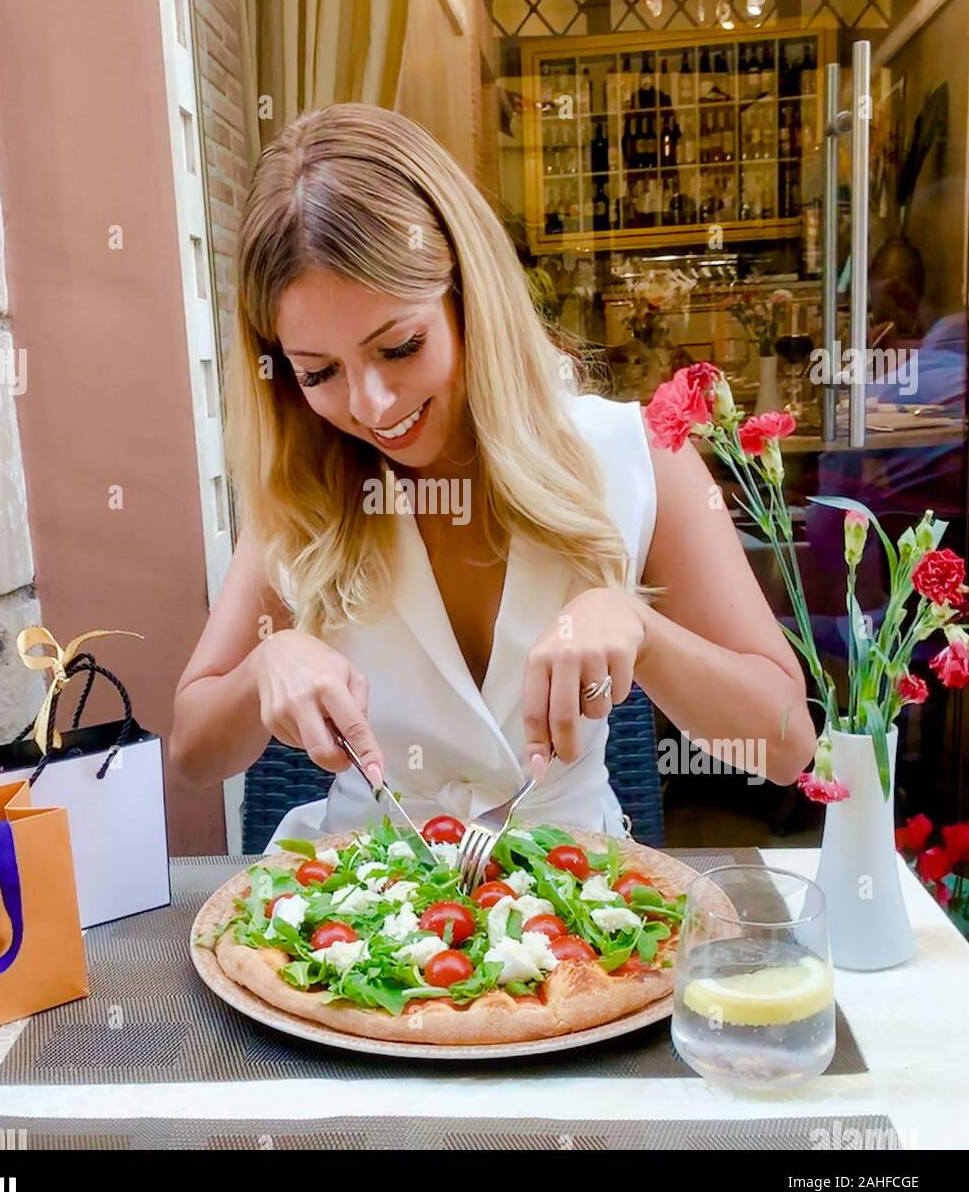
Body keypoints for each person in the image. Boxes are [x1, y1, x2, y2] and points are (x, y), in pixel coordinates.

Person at [170, 103, 815, 849]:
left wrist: (640, 628)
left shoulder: (632, 455)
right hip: (360, 919)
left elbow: (786, 745)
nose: (371, 406)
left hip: (577, 925)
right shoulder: (303, 482)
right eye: (319, 372)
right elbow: (193, 753)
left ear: (468, 299)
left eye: (401, 347)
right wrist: (265, 664)